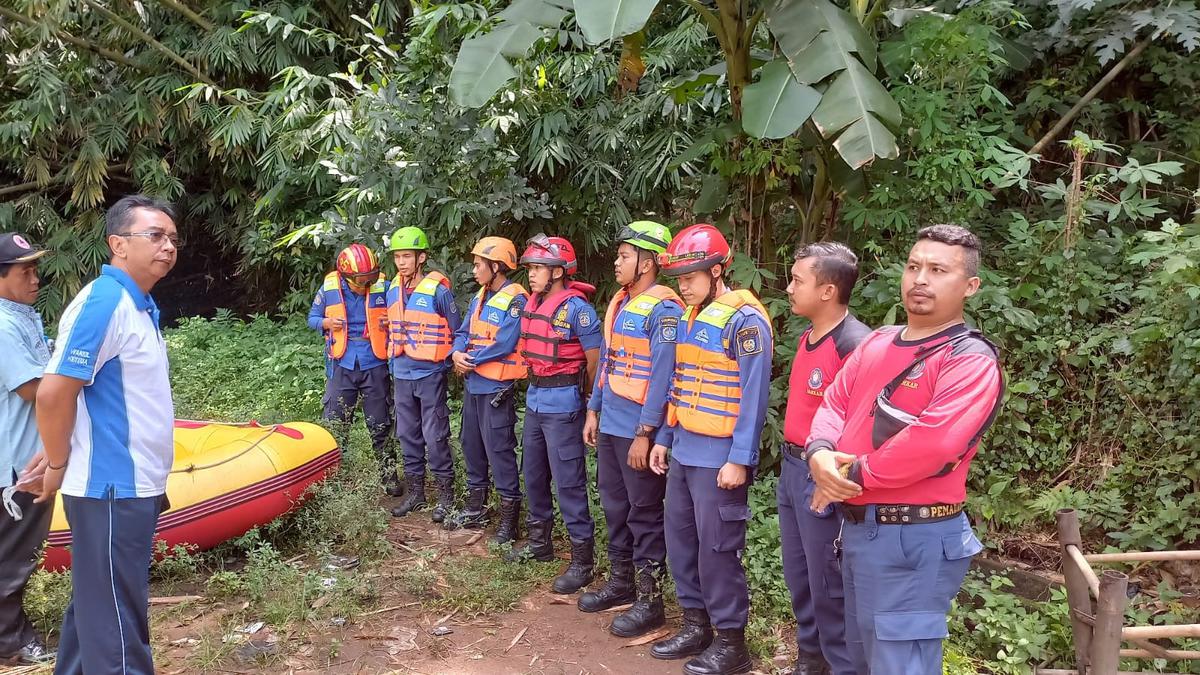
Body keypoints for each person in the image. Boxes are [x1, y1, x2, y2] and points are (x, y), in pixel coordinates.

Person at [806, 224, 1004, 675]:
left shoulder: (968, 360)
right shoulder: (878, 341)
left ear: (970, 286)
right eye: (914, 266)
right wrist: (818, 453)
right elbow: (834, 402)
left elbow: (934, 444)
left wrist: (847, 475)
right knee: (859, 659)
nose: (920, 279)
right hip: (859, 530)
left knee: (900, 664)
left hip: (913, 539)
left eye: (938, 270)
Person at [36, 195, 180, 675]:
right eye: (154, 236)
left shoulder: (138, 305)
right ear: (118, 244)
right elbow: (54, 392)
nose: (167, 246)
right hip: (111, 488)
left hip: (131, 484)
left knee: (98, 610)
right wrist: (57, 463)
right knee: (118, 628)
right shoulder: (105, 301)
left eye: (172, 238)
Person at [648, 223, 772, 675]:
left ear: (718, 270)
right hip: (682, 450)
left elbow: (755, 395)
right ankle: (695, 624)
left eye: (693, 275)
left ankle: (731, 643)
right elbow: (680, 387)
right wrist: (664, 437)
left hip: (719, 458)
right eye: (680, 277)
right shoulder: (687, 316)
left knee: (717, 550)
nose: (684, 284)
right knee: (681, 543)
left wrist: (740, 459)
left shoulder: (745, 322)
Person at [579, 221, 682, 638]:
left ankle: (649, 599)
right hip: (611, 424)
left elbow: (663, 376)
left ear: (648, 262)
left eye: (624, 256)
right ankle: (621, 582)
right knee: (614, 506)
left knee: (643, 513)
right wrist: (593, 409)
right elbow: (608, 361)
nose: (617, 262)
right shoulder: (620, 302)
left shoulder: (664, 309)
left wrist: (646, 433)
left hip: (639, 430)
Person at [777, 242, 871, 675]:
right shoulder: (809, 334)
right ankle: (810, 657)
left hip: (824, 476)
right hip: (792, 468)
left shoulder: (855, 344)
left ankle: (841, 664)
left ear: (828, 290)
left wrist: (834, 479)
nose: (789, 287)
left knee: (830, 583)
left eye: (798, 280)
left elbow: (864, 427)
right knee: (801, 575)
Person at [504, 234, 601, 596]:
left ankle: (582, 561)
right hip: (535, 398)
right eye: (530, 268)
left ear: (559, 271)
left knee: (569, 482)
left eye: (539, 268)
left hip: (565, 402)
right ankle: (540, 543)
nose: (532, 274)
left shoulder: (579, 309)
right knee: (533, 473)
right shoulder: (533, 302)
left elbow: (595, 359)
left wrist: (590, 397)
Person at [445, 237, 527, 541]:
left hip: (496, 388)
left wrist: (471, 360)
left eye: (479, 264)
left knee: (499, 450)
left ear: (496, 266)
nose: (474, 269)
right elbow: (464, 331)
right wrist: (456, 353)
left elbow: (506, 341)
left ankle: (509, 521)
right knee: (471, 444)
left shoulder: (517, 298)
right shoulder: (481, 295)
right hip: (474, 385)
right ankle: (476, 507)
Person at [0, 232, 54, 666]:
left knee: (16, 551)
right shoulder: (3, 325)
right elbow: (32, 388)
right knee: (13, 556)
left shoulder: (21, 317)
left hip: (26, 457)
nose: (35, 279)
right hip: (18, 465)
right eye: (25, 272)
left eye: (35, 269)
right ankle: (10, 642)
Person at [308, 243, 397, 495]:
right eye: (361, 279)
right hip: (342, 364)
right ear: (346, 276)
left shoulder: (384, 286)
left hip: (374, 363)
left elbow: (401, 314)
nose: (367, 283)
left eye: (370, 277)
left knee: (380, 423)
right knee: (335, 424)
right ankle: (332, 479)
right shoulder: (329, 288)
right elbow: (312, 318)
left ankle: (389, 475)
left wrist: (392, 320)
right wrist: (326, 321)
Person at [385, 226, 461, 521]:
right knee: (407, 434)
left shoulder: (439, 291)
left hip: (430, 373)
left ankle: (446, 496)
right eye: (398, 257)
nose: (402, 262)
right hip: (402, 373)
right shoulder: (392, 289)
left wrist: (453, 362)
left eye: (407, 256)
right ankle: (416, 494)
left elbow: (458, 330)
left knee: (435, 434)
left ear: (421, 258)